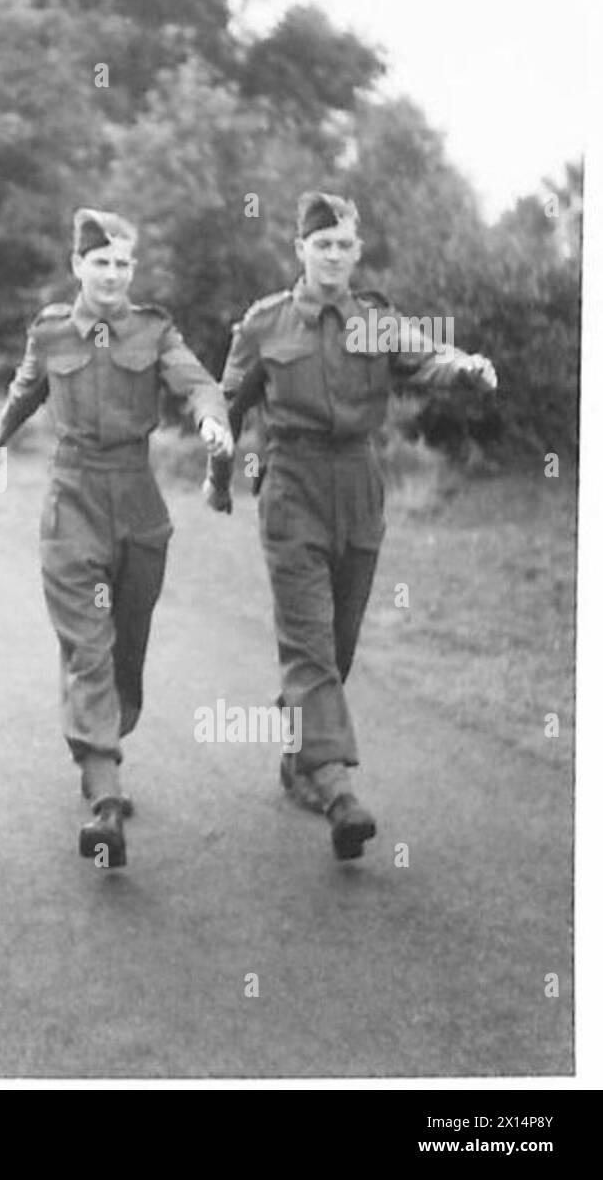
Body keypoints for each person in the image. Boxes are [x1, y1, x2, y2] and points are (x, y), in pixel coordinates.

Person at [214, 191, 498, 860]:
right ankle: (338, 790)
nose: (334, 255)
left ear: (357, 251)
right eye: (322, 245)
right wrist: (215, 476)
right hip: (292, 485)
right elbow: (226, 405)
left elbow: (425, 356)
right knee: (311, 644)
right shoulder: (267, 324)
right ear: (300, 251)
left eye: (344, 245)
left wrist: (465, 368)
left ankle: (300, 749)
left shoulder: (372, 320)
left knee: (338, 642)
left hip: (360, 486)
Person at [0, 209, 233, 868]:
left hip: (138, 500)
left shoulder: (155, 329)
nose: (114, 274)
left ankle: (101, 747)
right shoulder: (52, 332)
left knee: (124, 651)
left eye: (123, 263)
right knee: (89, 648)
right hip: (73, 500)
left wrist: (211, 421)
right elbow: (26, 389)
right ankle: (106, 799)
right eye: (101, 263)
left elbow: (197, 380)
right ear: (77, 268)